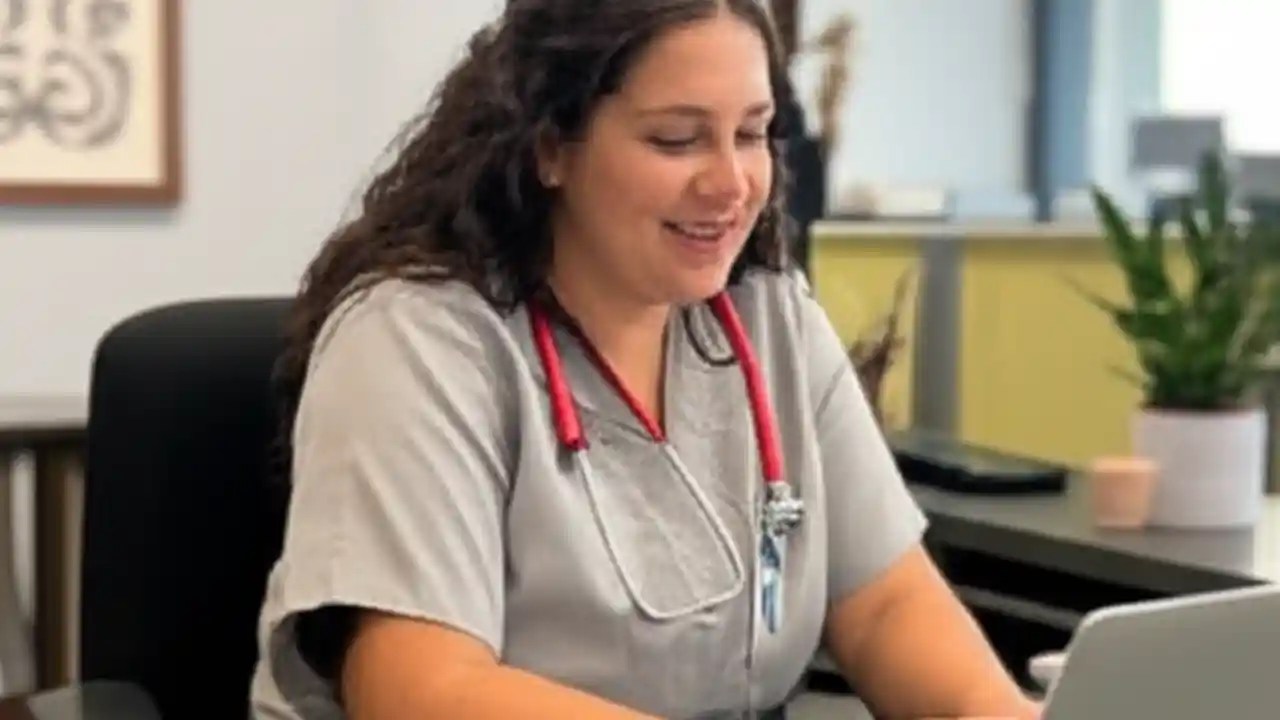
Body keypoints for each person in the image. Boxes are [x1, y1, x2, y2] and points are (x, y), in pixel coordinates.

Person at [250, 1, 1042, 718]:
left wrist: (992, 713)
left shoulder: (768, 319)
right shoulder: (416, 341)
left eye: (753, 133)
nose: (732, 183)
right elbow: (420, 690)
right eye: (677, 138)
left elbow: (884, 605)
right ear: (551, 145)